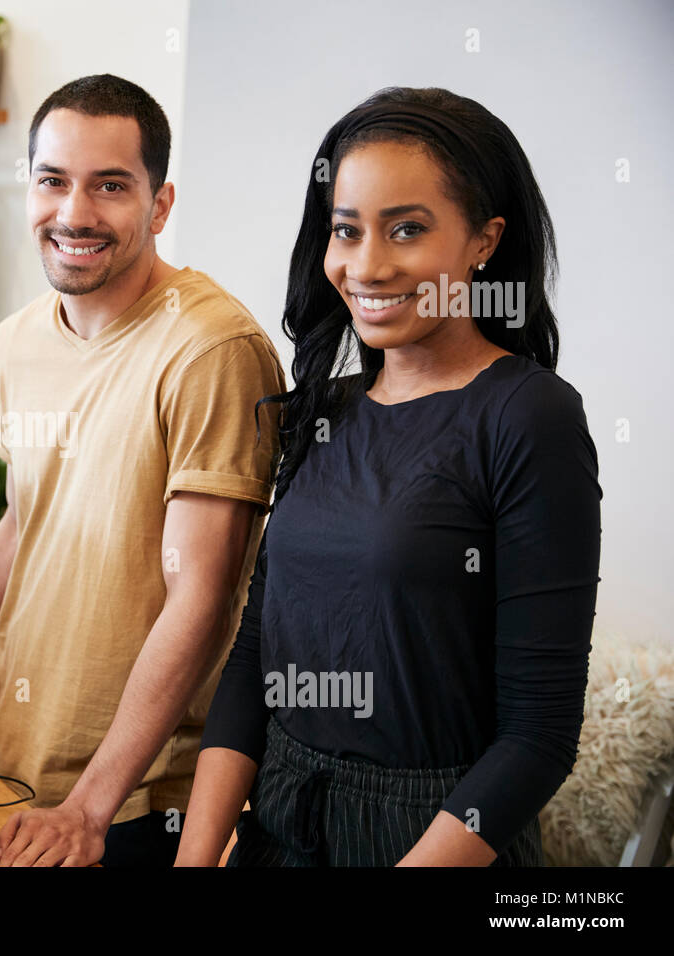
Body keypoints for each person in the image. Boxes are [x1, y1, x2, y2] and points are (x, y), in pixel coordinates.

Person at [0, 74, 285, 866]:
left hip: (135, 796)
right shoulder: (19, 339)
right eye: (53, 181)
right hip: (22, 761)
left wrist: (89, 808)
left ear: (160, 204)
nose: (75, 213)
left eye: (111, 186)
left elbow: (202, 597)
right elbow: (23, 522)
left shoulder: (211, 350)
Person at [176, 86, 602, 867]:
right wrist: (195, 858)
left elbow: (538, 738)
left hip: (432, 841)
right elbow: (255, 659)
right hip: (279, 826)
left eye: (407, 230)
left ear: (484, 239)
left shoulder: (529, 416)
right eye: (347, 231)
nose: (366, 265)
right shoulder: (322, 410)